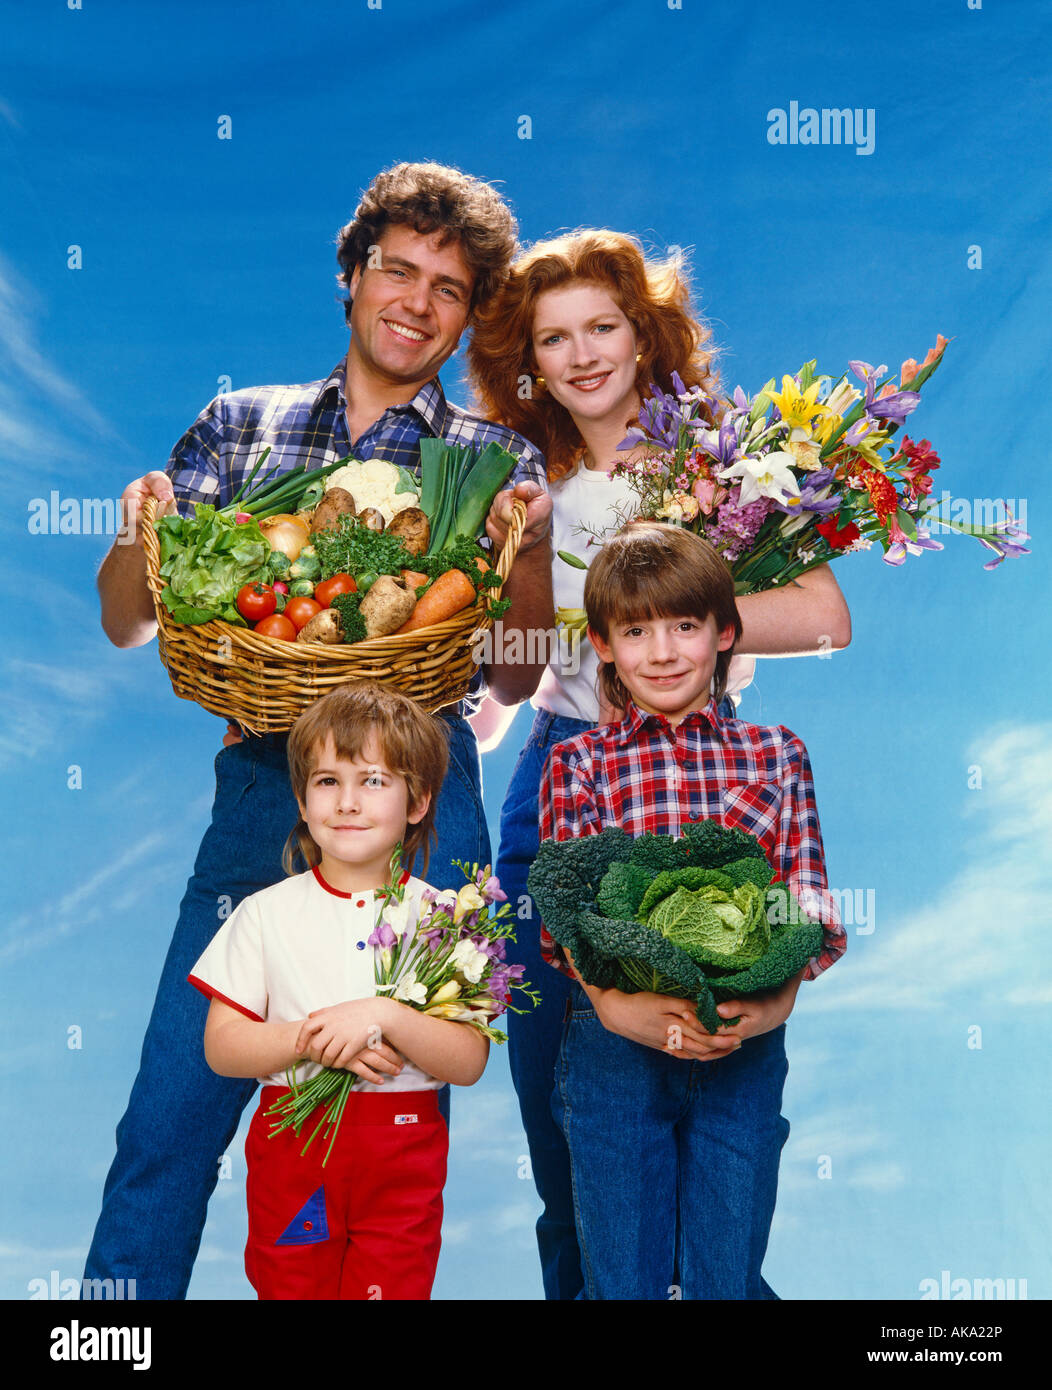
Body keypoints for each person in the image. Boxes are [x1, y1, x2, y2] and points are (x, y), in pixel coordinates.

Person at [87, 161, 554, 1300]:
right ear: (351, 278)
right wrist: (132, 535)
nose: (417, 300)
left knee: (385, 1112)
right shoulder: (237, 424)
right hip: (261, 788)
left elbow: (518, 668)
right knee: (170, 1114)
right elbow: (124, 622)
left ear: (466, 313)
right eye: (397, 269)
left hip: (425, 799)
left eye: (449, 287)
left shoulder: (496, 465)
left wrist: (528, 553)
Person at [465, 229, 851, 1299]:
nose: (582, 354)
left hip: (703, 783)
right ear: (527, 360)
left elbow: (824, 615)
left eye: (603, 325)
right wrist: (546, 583)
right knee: (573, 1111)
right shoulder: (519, 481)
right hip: (564, 772)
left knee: (717, 1099)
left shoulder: (717, 456)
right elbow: (508, 673)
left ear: (644, 333)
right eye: (553, 338)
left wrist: (664, 615)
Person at [538, 522, 845, 1299]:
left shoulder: (778, 752)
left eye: (685, 626)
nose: (664, 651)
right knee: (622, 1279)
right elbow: (567, 915)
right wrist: (615, 1007)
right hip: (616, 1048)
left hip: (742, 1043)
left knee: (726, 1277)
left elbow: (803, 899)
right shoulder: (575, 762)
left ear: (726, 634)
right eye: (635, 631)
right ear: (603, 645)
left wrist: (767, 1008)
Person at [190, 682, 488, 1300]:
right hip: (293, 1146)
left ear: (418, 800)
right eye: (327, 781)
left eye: (374, 781)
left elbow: (468, 1061)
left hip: (403, 1150)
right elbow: (222, 1047)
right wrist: (314, 1038)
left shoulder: (446, 917)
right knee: (292, 1286)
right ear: (300, 799)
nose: (348, 802)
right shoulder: (262, 914)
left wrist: (384, 1016)